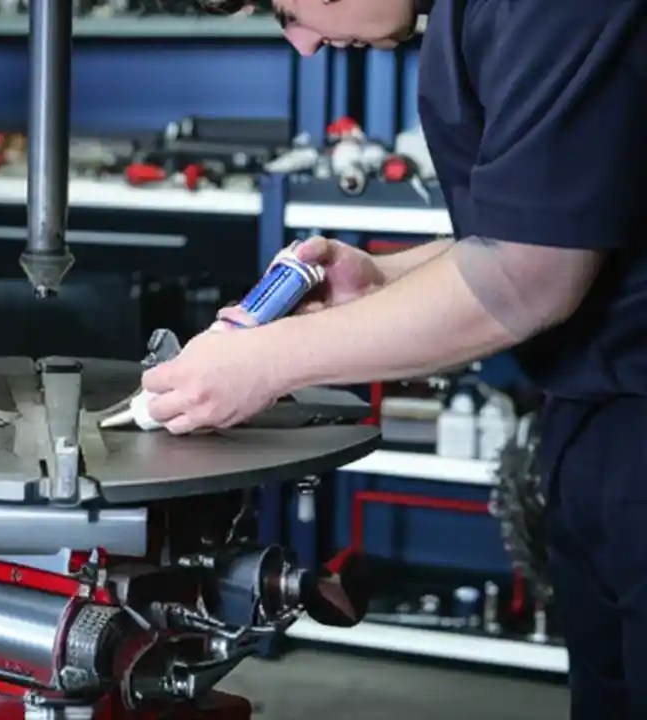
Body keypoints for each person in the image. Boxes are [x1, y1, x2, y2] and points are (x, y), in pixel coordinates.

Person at [148, 1, 646, 717]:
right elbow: (546, 223)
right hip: (592, 421)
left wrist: (265, 363)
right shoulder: (468, 17)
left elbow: (529, 275)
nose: (306, 46)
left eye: (287, 9)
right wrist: (386, 281)